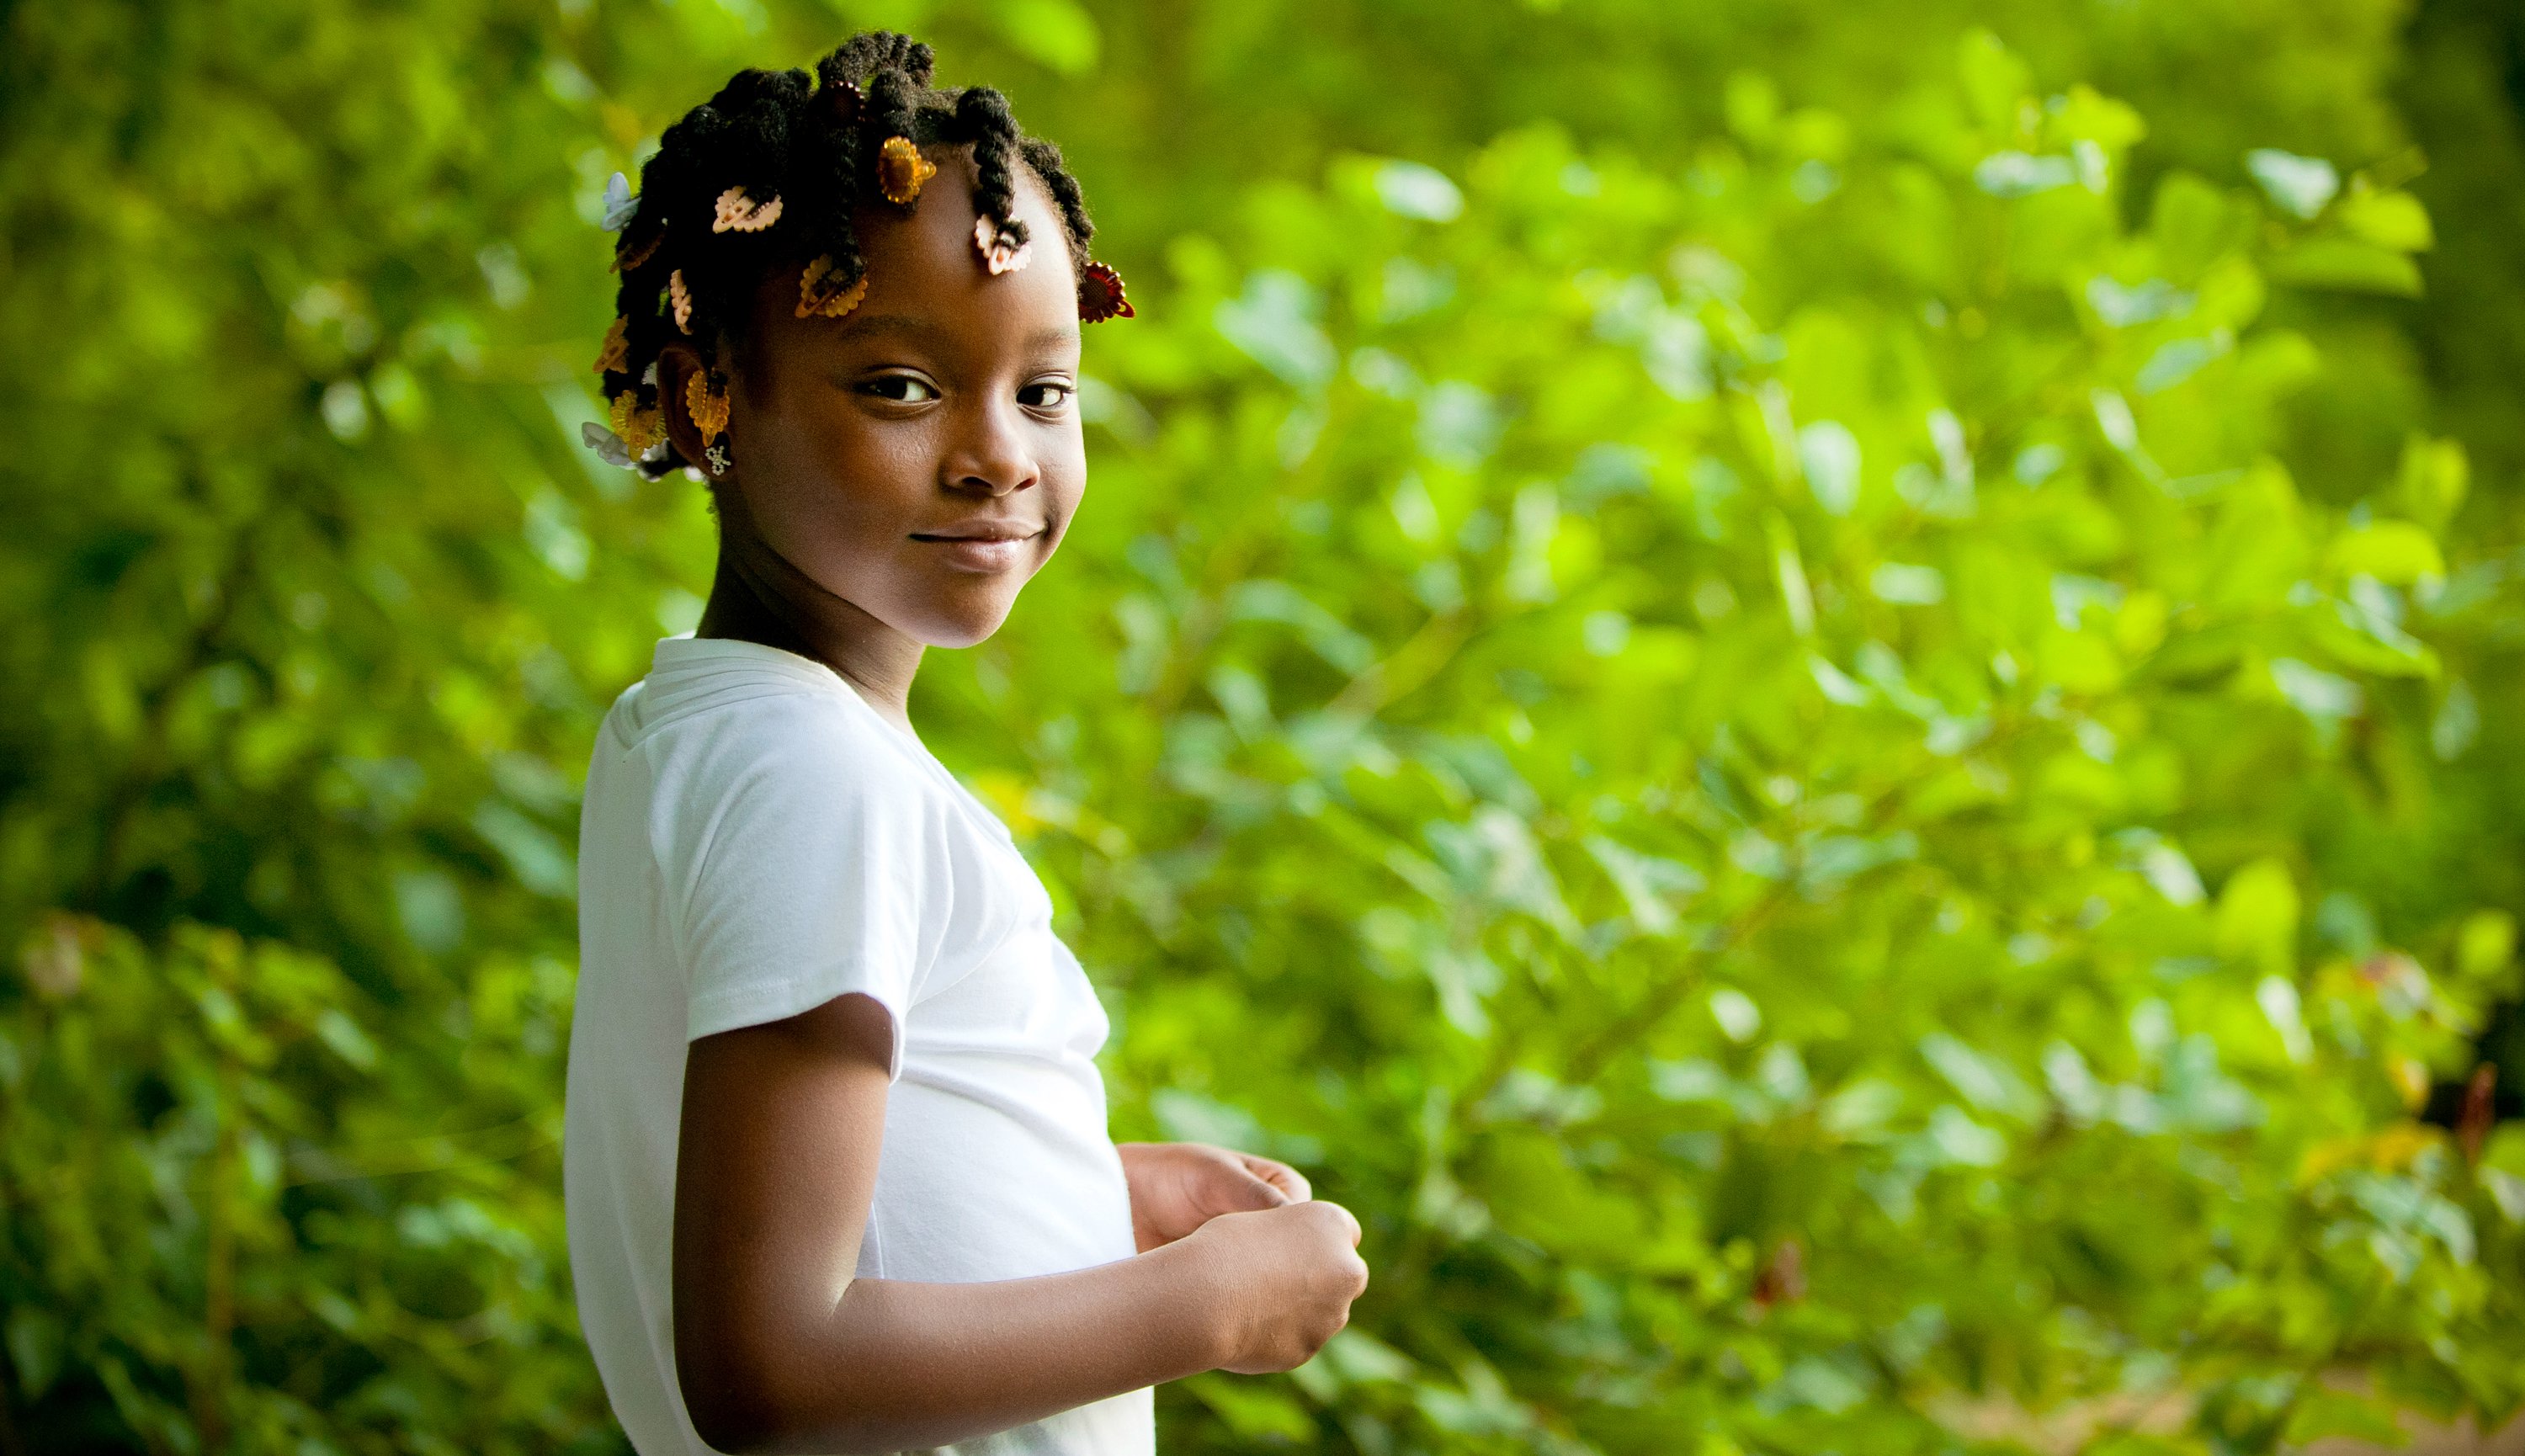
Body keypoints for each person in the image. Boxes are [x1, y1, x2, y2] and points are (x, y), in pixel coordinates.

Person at [562, 31, 1369, 1456]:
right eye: (898, 386)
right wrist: (1203, 1304)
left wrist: (1100, 1194)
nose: (998, 452)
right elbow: (768, 1360)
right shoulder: (816, 784)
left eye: (1042, 391)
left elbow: (834, 1199)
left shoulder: (704, 735)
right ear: (711, 392)